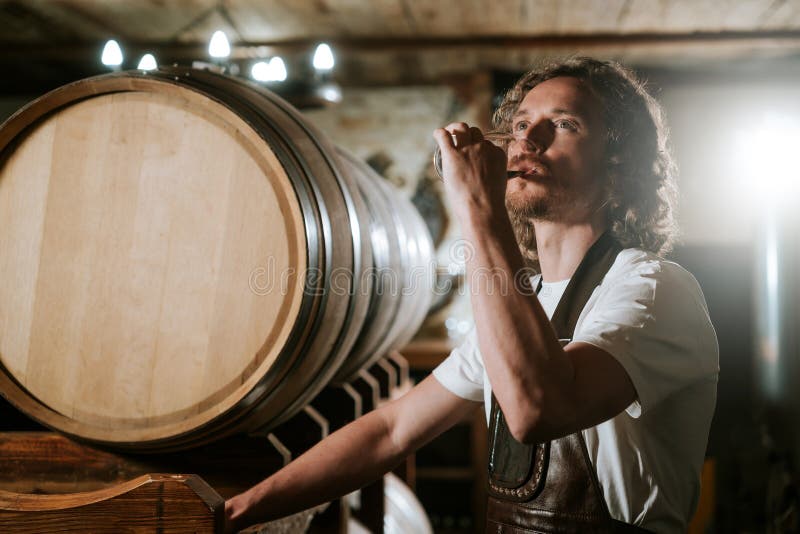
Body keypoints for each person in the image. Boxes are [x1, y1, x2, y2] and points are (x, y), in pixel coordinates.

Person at [225, 57, 718, 533]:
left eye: (564, 124)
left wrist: (478, 208)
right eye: (522, 124)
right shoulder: (527, 301)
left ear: (618, 162)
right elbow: (391, 431)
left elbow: (539, 408)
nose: (530, 139)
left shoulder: (654, 289)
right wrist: (239, 510)